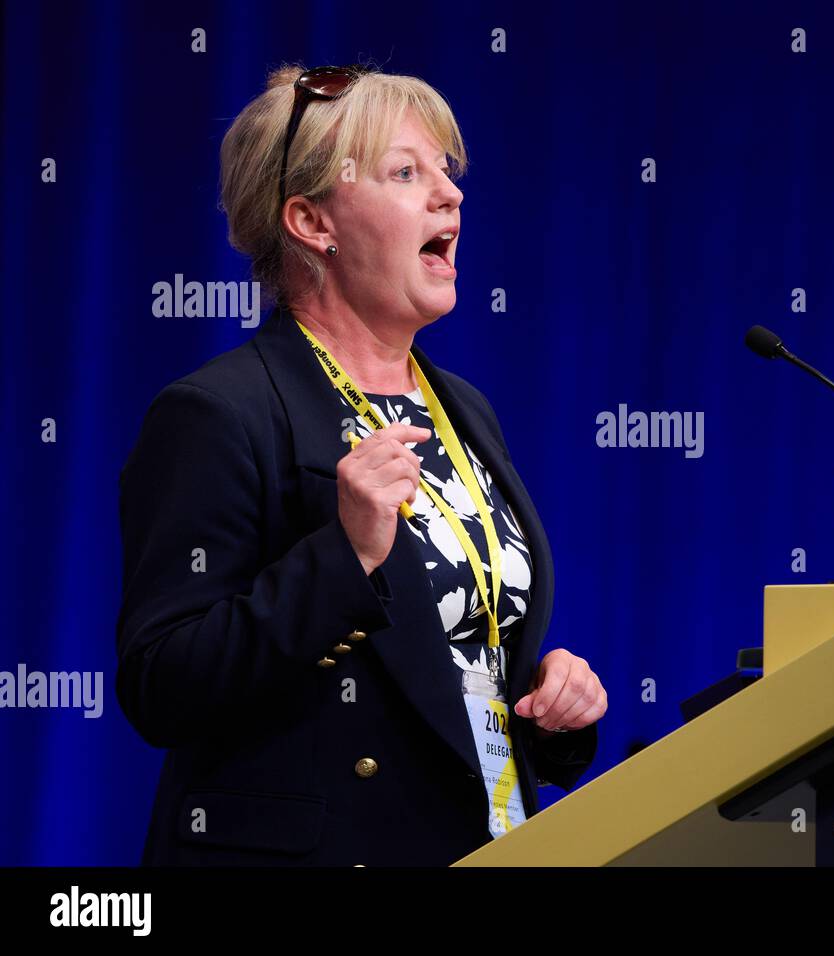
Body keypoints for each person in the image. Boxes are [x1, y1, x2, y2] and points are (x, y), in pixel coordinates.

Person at [116, 64, 605, 866]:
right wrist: (344, 557)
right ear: (312, 222)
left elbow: (449, 668)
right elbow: (161, 685)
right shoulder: (219, 412)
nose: (450, 195)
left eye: (446, 171)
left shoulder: (464, 409)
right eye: (406, 173)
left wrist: (549, 706)